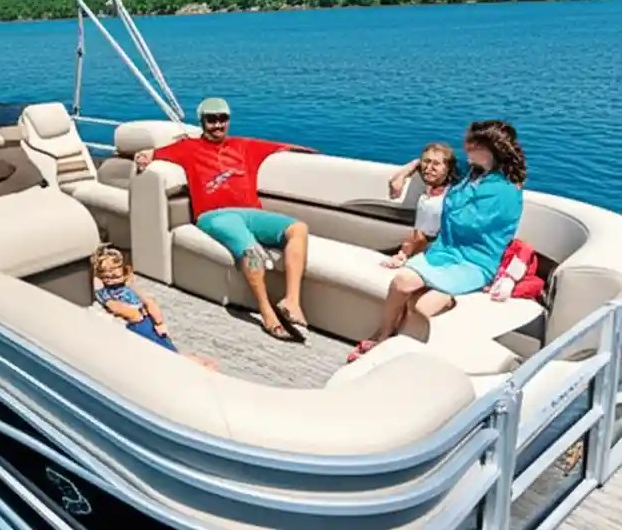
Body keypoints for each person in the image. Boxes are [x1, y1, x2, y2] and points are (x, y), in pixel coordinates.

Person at [135, 98, 313, 343]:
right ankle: (266, 311)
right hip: (215, 215)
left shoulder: (245, 145)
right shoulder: (187, 148)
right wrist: (144, 155)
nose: (217, 125)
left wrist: (305, 151)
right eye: (211, 119)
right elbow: (152, 153)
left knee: (298, 228)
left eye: (222, 119)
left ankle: (291, 301)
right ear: (202, 122)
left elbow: (283, 147)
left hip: (252, 213)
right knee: (251, 251)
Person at [348, 120, 526, 363]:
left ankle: (398, 356)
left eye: (472, 144)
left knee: (420, 306)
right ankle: (383, 334)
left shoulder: (504, 191)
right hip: (444, 251)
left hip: (474, 262)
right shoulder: (471, 172)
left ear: (491, 149)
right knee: (401, 282)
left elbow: (466, 222)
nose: (466, 147)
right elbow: (435, 165)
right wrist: (405, 172)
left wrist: (435, 211)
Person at [91, 247, 218, 370]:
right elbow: (113, 305)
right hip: (136, 322)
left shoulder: (128, 286)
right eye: (106, 277)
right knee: (165, 352)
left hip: (145, 319)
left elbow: (146, 300)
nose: (111, 280)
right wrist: (135, 314)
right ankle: (194, 362)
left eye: (115, 276)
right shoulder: (105, 294)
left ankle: (193, 361)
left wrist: (158, 321)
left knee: (166, 347)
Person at [381, 141, 462, 268]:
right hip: (419, 244)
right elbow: (394, 181)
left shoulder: (444, 199)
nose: (429, 168)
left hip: (432, 252)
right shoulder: (433, 183)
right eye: (426, 161)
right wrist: (410, 169)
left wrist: (404, 255)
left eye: (436, 164)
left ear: (448, 168)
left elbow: (423, 238)